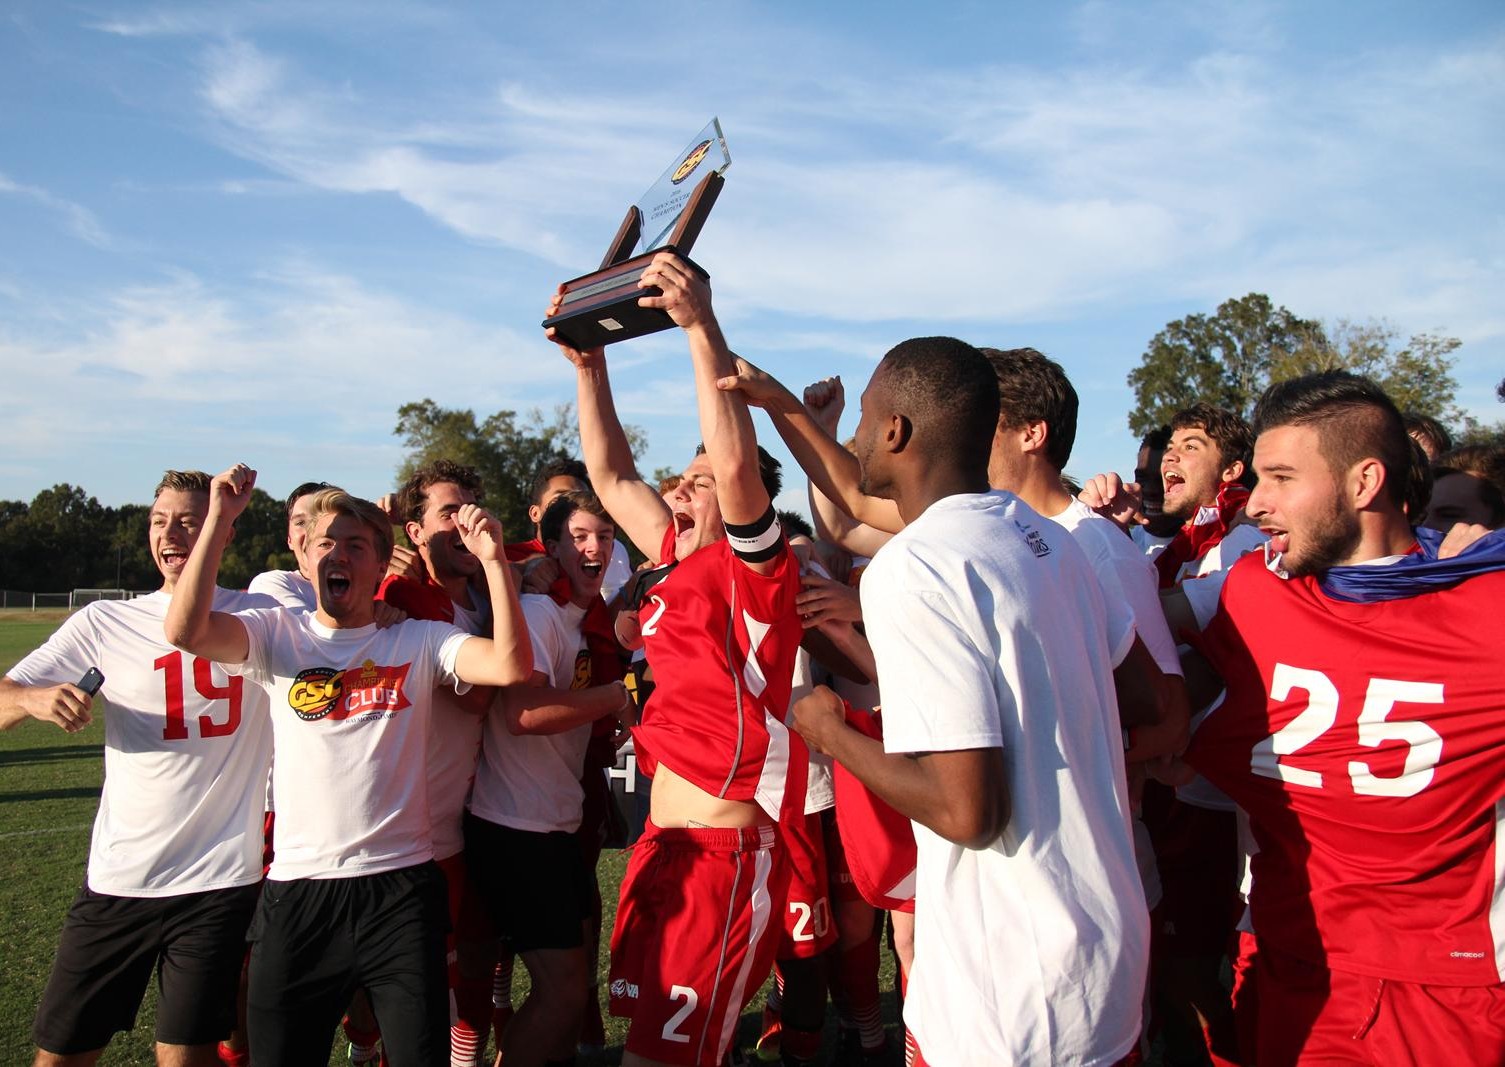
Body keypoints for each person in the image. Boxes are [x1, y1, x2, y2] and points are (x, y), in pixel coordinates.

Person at [789, 337, 1148, 1065]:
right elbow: (1143, 698)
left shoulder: (913, 566)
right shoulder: (1054, 538)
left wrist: (830, 732)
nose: (856, 435)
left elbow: (967, 812)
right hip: (1104, 948)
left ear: (894, 431)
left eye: (862, 417)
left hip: (1011, 991)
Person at [1181, 371, 1505, 1064]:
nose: (1254, 501)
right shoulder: (1252, 592)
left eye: (1279, 477)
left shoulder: (1488, 610)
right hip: (1281, 952)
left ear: (1362, 483)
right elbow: (1123, 634)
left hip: (1430, 985)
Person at [163, 469, 532, 1066]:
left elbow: (511, 666)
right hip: (299, 892)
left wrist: (494, 563)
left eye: (356, 545)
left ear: (380, 566)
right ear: (306, 561)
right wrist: (220, 521)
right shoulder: (276, 634)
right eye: (326, 543)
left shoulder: (415, 640)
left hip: (402, 890)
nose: (337, 554)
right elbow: (186, 630)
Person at [546, 251, 806, 1067]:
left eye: (695, 482)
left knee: (661, 1061)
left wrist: (698, 326)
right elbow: (609, 471)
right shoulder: (667, 556)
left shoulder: (752, 568)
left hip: (722, 859)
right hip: (663, 842)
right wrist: (589, 366)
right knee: (667, 1049)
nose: (681, 490)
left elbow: (734, 465)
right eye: (681, 481)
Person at [1, 470, 276, 1067]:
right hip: (121, 876)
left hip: (219, 881)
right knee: (61, 1055)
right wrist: (29, 700)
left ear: (222, 532)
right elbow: (4, 697)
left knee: (187, 1054)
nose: (170, 533)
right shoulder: (105, 622)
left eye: (190, 520)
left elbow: (345, 624)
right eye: (159, 520)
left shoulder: (261, 618)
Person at [465, 488, 636, 1067]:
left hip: (552, 823)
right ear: (553, 547)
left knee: (571, 982)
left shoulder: (580, 616)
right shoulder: (539, 612)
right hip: (517, 827)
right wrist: (619, 695)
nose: (595, 548)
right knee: (561, 990)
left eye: (606, 537)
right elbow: (523, 713)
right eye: (581, 537)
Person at [372, 459, 499, 1067]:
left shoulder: (483, 590)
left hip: (472, 816)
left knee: (474, 956)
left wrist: (526, 566)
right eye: (448, 512)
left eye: (471, 508)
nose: (466, 522)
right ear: (414, 532)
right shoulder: (403, 597)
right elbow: (478, 696)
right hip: (411, 831)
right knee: (414, 987)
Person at [248, 481, 337, 611]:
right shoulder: (271, 584)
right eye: (301, 522)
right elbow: (310, 629)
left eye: (323, 521)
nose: (312, 532)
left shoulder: (370, 587)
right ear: (289, 539)